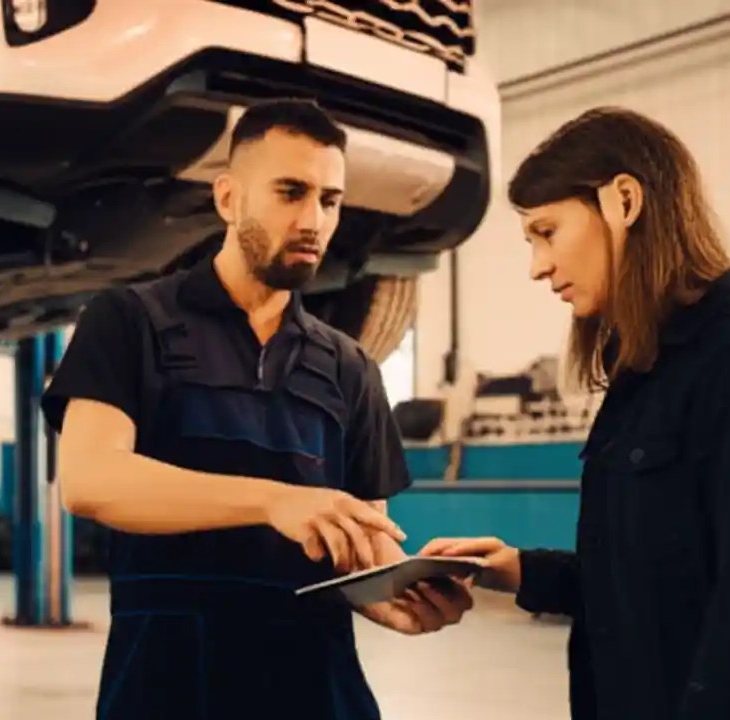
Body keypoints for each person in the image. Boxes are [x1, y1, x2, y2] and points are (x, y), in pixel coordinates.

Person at [41, 98, 473, 720]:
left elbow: (366, 541)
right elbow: (89, 480)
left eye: (330, 199)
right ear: (228, 198)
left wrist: (394, 595)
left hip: (314, 690)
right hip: (168, 687)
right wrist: (275, 500)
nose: (314, 219)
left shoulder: (349, 367)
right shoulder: (130, 321)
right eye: (290, 192)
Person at [421, 107, 730, 720]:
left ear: (624, 201)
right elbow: (648, 584)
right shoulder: (642, 375)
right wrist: (520, 571)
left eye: (547, 232)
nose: (537, 266)